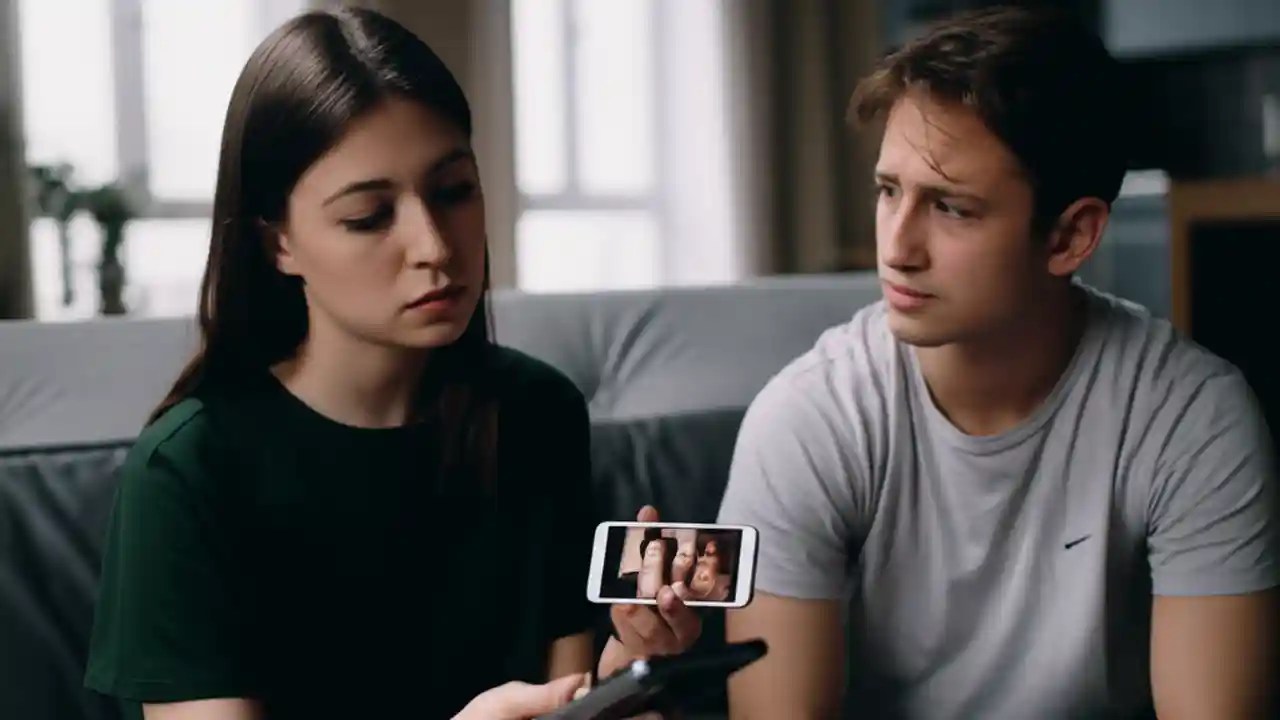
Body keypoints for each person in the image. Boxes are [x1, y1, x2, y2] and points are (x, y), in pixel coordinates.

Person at [82, 8, 696, 720]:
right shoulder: (189, 470)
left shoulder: (536, 413)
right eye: (371, 216)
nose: (434, 245)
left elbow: (559, 695)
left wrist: (625, 671)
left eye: (455, 191)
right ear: (276, 243)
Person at [718, 6, 1279, 719]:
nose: (897, 247)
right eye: (889, 191)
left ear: (1070, 236)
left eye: (951, 208)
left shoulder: (1192, 419)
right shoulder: (810, 418)